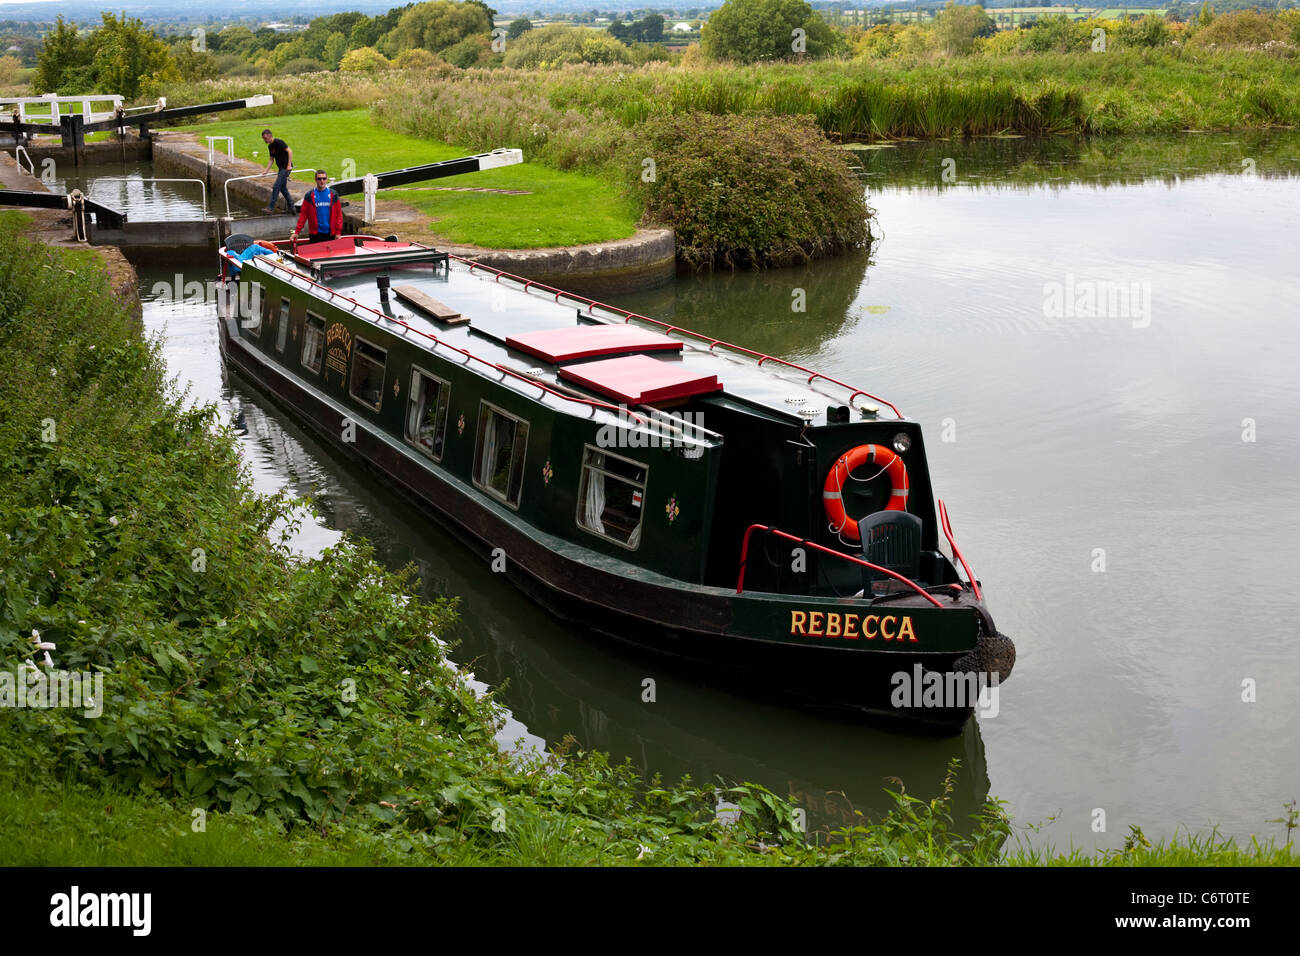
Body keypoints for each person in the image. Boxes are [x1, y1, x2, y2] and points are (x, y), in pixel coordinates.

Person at [294, 170, 343, 243]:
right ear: (315, 180)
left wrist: (338, 232)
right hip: (315, 235)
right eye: (319, 179)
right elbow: (303, 215)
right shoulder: (309, 195)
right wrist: (297, 232)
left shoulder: (334, 194)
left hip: (330, 234)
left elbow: (338, 214)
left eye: (324, 178)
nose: (322, 181)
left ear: (326, 179)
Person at [261, 128, 295, 214]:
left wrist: (289, 165)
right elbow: (271, 159)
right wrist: (266, 170)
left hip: (286, 167)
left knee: (276, 186)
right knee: (283, 188)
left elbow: (290, 151)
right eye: (263, 138)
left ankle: (270, 208)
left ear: (270, 136)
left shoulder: (279, 142)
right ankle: (292, 207)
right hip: (281, 168)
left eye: (265, 138)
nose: (264, 140)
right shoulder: (270, 146)